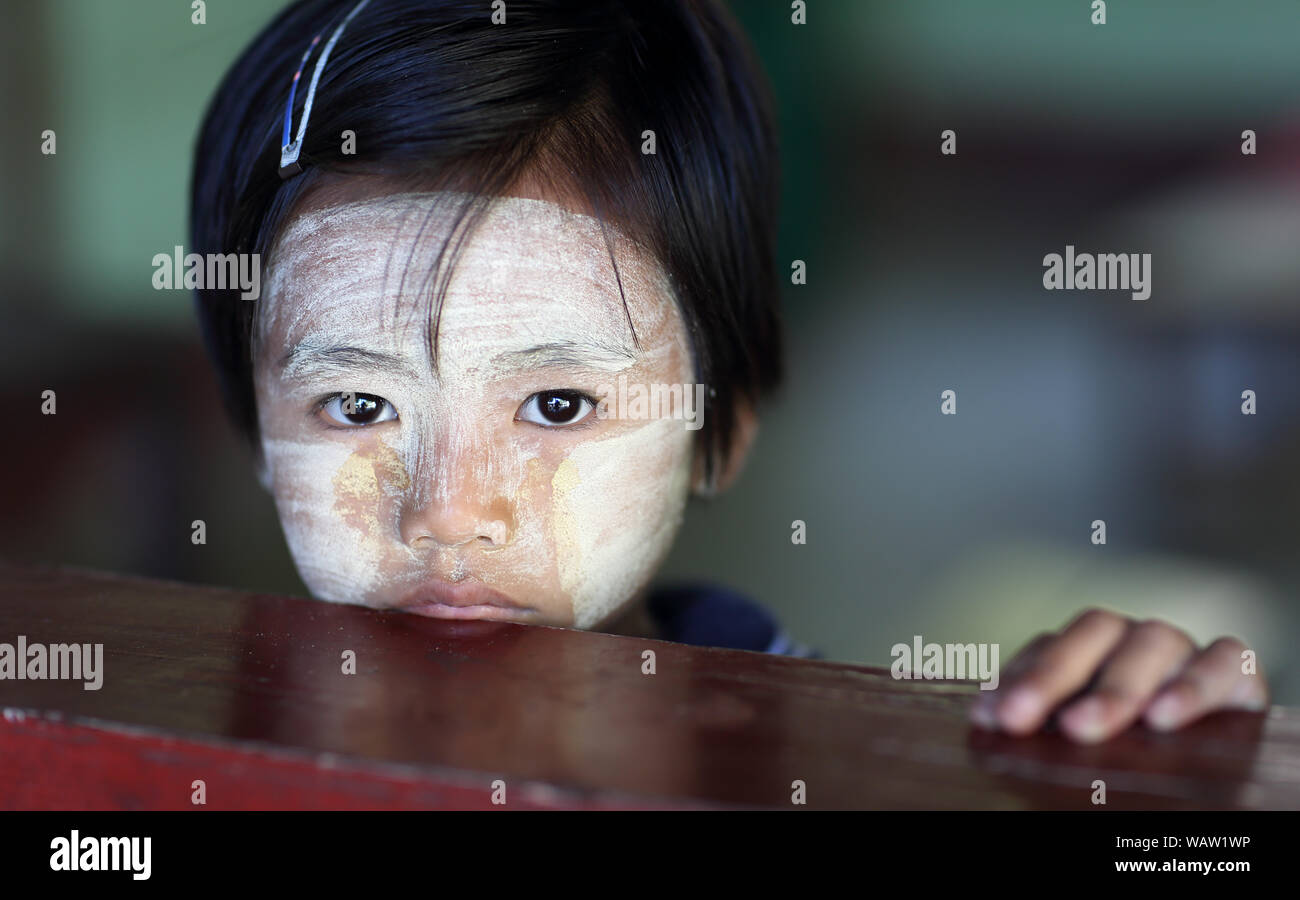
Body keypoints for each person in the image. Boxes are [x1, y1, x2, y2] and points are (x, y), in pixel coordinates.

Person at [190, 0, 1267, 743]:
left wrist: (1158, 755)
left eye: (557, 403)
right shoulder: (184, 743)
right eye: (358, 404)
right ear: (256, 437)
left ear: (723, 425)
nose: (450, 514)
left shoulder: (820, 756)